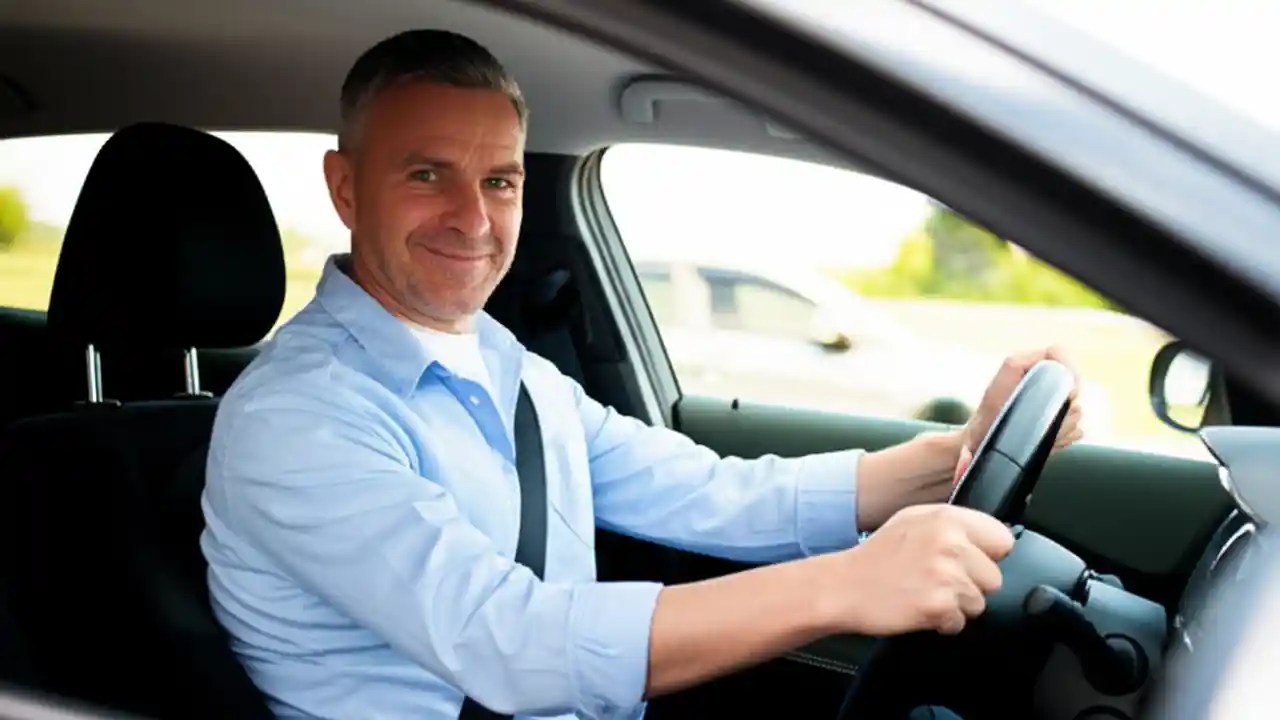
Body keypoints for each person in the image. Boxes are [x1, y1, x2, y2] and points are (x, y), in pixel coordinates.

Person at [200, 29, 1084, 720]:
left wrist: (962, 452)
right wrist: (848, 587)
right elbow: (508, 643)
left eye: (500, 181)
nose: (473, 218)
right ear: (346, 189)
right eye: (428, 174)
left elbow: (713, 494)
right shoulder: (299, 416)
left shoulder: (508, 367)